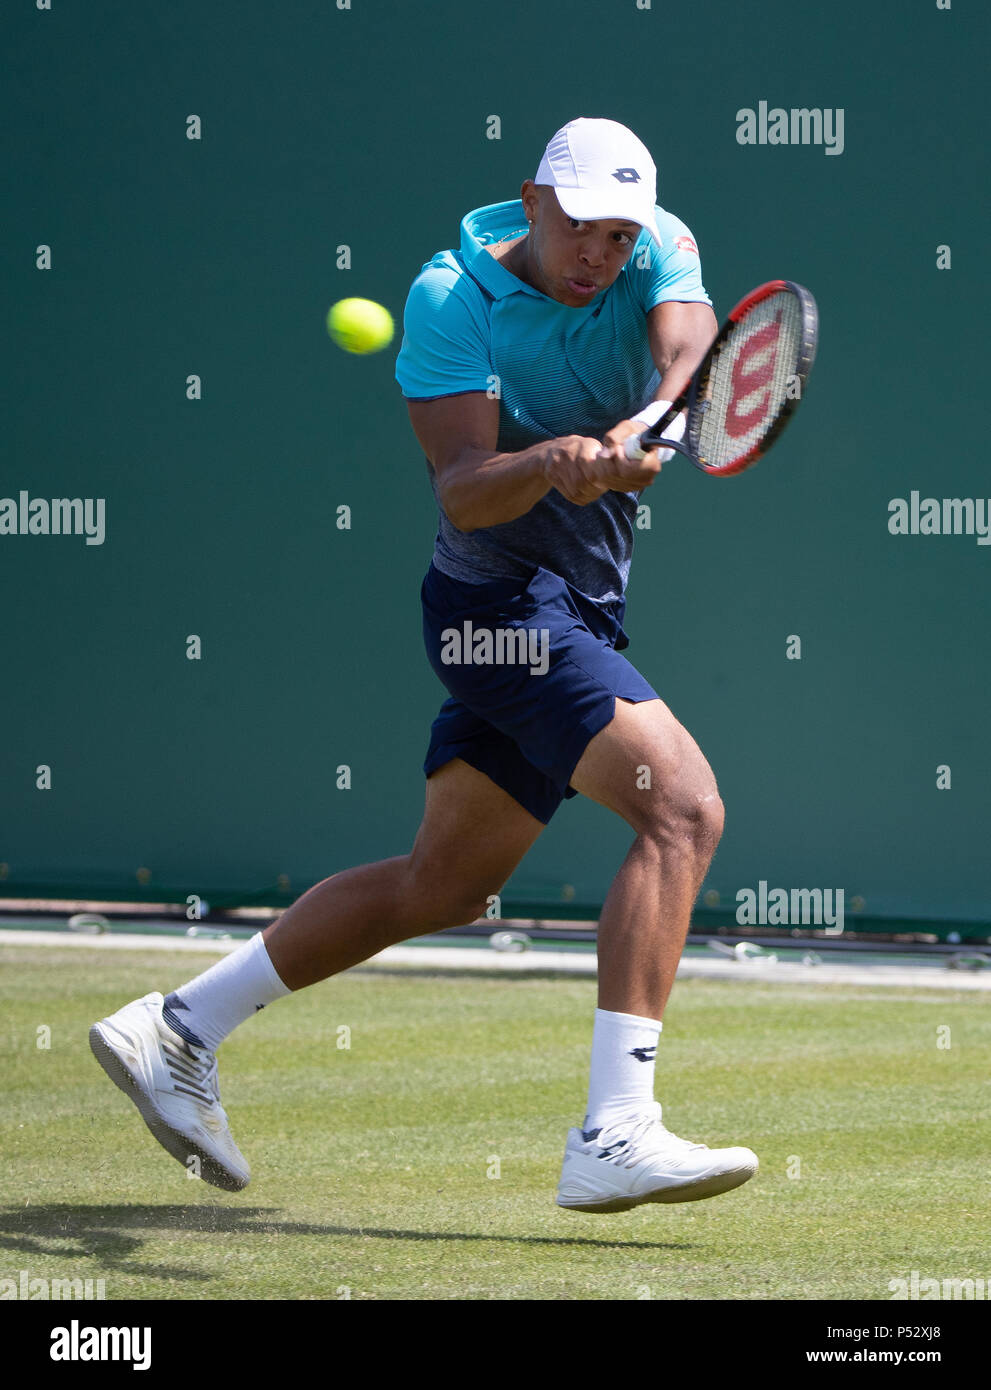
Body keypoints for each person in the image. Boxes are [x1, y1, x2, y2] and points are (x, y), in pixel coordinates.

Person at [90, 118, 757, 1213]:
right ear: (532, 200)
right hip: (498, 606)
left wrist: (645, 427)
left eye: (618, 234)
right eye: (580, 227)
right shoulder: (450, 298)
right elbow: (460, 486)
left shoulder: (652, 245)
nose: (600, 253)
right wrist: (551, 462)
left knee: (440, 885)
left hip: (579, 606)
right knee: (680, 809)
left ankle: (177, 1026)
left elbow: (692, 352)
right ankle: (616, 1127)